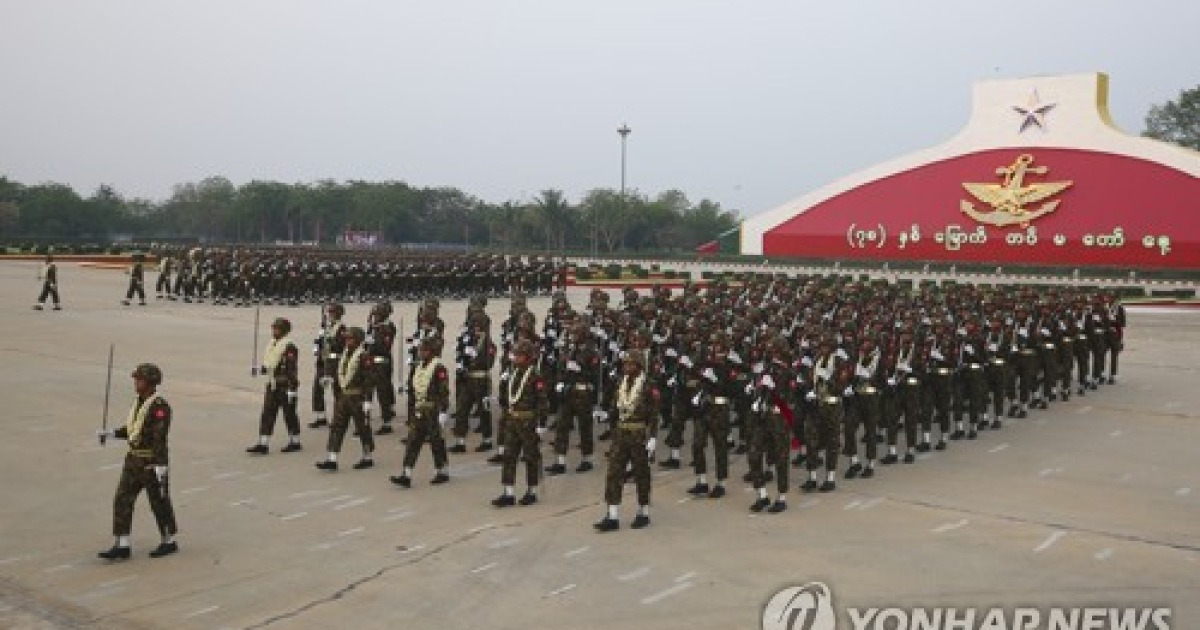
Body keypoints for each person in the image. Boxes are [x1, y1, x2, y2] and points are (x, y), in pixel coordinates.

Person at [96, 363, 178, 560]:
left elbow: (159, 437)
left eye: (139, 379)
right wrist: (112, 433)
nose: (136, 382)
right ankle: (122, 543)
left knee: (158, 502)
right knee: (123, 498)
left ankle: (168, 540)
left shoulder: (160, 407)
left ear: (150, 383)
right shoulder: (139, 403)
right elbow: (133, 430)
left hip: (151, 462)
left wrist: (160, 466)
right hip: (133, 460)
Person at [594, 352, 659, 532]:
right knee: (614, 472)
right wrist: (606, 415)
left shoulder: (649, 386)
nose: (627, 368)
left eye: (631, 365)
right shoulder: (620, 383)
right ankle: (612, 515)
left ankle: (643, 511)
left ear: (639, 366)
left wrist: (653, 437)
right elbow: (616, 407)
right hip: (620, 433)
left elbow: (654, 415)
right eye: (626, 364)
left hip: (639, 434)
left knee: (641, 474)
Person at [491, 340, 549, 507]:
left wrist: (541, 424)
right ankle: (508, 492)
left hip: (528, 422)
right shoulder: (513, 373)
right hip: (513, 420)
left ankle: (532, 491)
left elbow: (542, 402)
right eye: (515, 355)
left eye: (519, 355)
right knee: (509, 456)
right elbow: (507, 398)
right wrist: (503, 383)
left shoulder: (535, 376)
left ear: (528, 357)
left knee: (531, 457)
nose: (515, 358)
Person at [390, 337, 452, 487]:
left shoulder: (439, 368)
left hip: (433, 410)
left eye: (425, 350)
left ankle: (442, 470)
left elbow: (444, 391)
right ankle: (406, 473)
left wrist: (443, 410)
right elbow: (415, 387)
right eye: (421, 350)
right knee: (413, 441)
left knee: (436, 441)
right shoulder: (419, 367)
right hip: (419, 409)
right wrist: (405, 389)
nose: (422, 353)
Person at [315, 327, 376, 471]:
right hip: (343, 396)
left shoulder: (364, 356)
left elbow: (369, 380)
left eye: (351, 339)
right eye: (346, 339)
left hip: (357, 397)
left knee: (362, 428)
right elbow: (341, 372)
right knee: (337, 426)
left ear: (358, 340)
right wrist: (329, 378)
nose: (347, 341)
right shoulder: (345, 355)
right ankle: (332, 458)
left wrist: (368, 400)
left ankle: (367, 457)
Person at [246, 318, 303, 454]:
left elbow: (291, 369)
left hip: (285, 385)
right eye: (273, 328)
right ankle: (263, 443)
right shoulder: (272, 344)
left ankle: (295, 441)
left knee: (289, 414)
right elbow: (270, 365)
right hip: (272, 384)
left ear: (283, 331)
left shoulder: (289, 347)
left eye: (277, 329)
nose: (274, 331)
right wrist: (259, 370)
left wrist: (292, 388)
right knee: (267, 413)